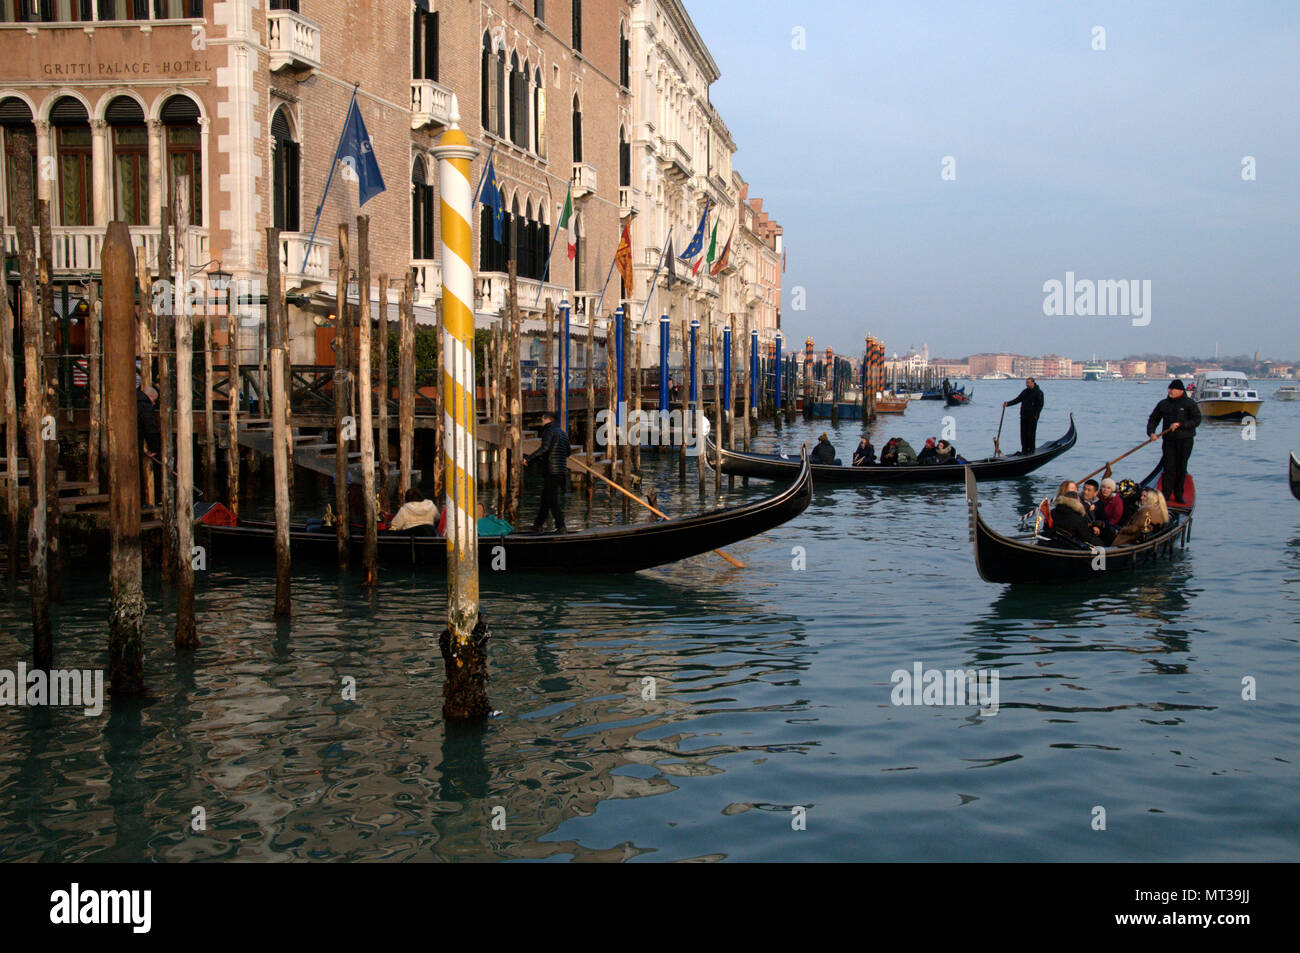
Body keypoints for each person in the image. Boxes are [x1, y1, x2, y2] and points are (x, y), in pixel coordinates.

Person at [1146, 378, 1200, 504]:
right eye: (1169, 389)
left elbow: (1196, 420)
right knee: (1168, 468)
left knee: (1181, 467)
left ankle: (1178, 494)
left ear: (1180, 391)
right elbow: (1153, 418)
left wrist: (1180, 424)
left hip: (1185, 440)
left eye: (1173, 389)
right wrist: (1151, 433)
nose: (1170, 391)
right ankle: (1165, 495)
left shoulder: (1189, 403)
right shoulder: (1163, 404)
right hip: (1169, 441)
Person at [525, 410, 573, 532]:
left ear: (548, 420)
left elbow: (545, 448)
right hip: (561, 471)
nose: (541, 422)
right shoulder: (563, 433)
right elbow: (568, 452)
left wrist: (528, 458)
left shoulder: (548, 431)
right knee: (545, 499)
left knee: (551, 500)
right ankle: (538, 525)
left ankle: (561, 526)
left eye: (542, 420)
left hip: (551, 470)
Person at [1003, 377, 1044, 455]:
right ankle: (1024, 450)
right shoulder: (1025, 392)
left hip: (1033, 417)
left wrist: (1036, 414)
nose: (1027, 384)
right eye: (1026, 383)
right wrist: (1008, 404)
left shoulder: (1038, 392)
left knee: (1030, 434)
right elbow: (1017, 400)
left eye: (1028, 383)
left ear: (1033, 383)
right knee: (1023, 434)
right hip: (1024, 416)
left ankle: (1031, 450)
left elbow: (1040, 405)